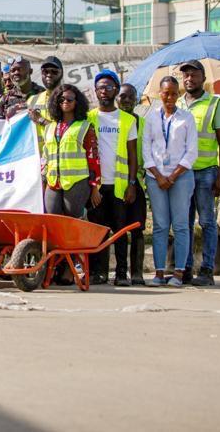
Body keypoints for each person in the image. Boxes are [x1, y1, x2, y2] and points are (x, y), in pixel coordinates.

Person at [177, 59, 220, 287]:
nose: (189, 79)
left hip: (206, 172)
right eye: (186, 75)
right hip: (182, 172)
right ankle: (186, 268)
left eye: (194, 75)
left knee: (207, 222)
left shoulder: (215, 104)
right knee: (184, 222)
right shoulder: (177, 103)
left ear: (203, 79)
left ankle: (207, 270)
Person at [143, 76, 198, 287]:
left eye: (174, 93)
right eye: (166, 93)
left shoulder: (186, 118)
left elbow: (191, 152)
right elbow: (146, 150)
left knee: (181, 225)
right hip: (155, 177)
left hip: (180, 177)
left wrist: (173, 176)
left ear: (178, 94)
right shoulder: (151, 118)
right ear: (160, 93)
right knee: (160, 225)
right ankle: (158, 273)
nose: (170, 97)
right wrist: (158, 176)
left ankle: (178, 273)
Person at [87, 70, 139, 286]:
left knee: (119, 231)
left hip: (119, 186)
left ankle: (121, 273)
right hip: (96, 186)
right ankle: (97, 273)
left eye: (109, 87)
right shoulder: (88, 117)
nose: (104, 91)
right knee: (97, 230)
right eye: (100, 87)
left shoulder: (127, 120)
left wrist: (132, 184)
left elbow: (133, 154)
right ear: (95, 91)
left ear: (116, 90)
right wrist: (92, 186)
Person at [42, 84, 99, 219]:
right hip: (53, 181)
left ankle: (84, 221)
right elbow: (46, 156)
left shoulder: (85, 127)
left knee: (73, 216)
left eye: (69, 99)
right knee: (52, 215)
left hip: (77, 181)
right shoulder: (49, 128)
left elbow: (93, 158)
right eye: (61, 99)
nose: (65, 102)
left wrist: (94, 187)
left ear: (76, 102)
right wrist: (43, 178)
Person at [117, 83, 148, 284]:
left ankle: (137, 273)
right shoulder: (111, 120)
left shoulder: (144, 123)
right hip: (115, 182)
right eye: (122, 96)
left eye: (131, 96)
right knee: (117, 229)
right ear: (116, 98)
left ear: (136, 100)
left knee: (137, 228)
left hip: (136, 182)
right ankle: (119, 273)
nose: (126, 100)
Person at [28, 56, 64, 142]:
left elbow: (69, 131)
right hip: (40, 150)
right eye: (45, 71)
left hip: (61, 149)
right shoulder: (32, 100)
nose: (49, 75)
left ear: (61, 73)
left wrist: (41, 120)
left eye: (54, 71)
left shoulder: (69, 99)